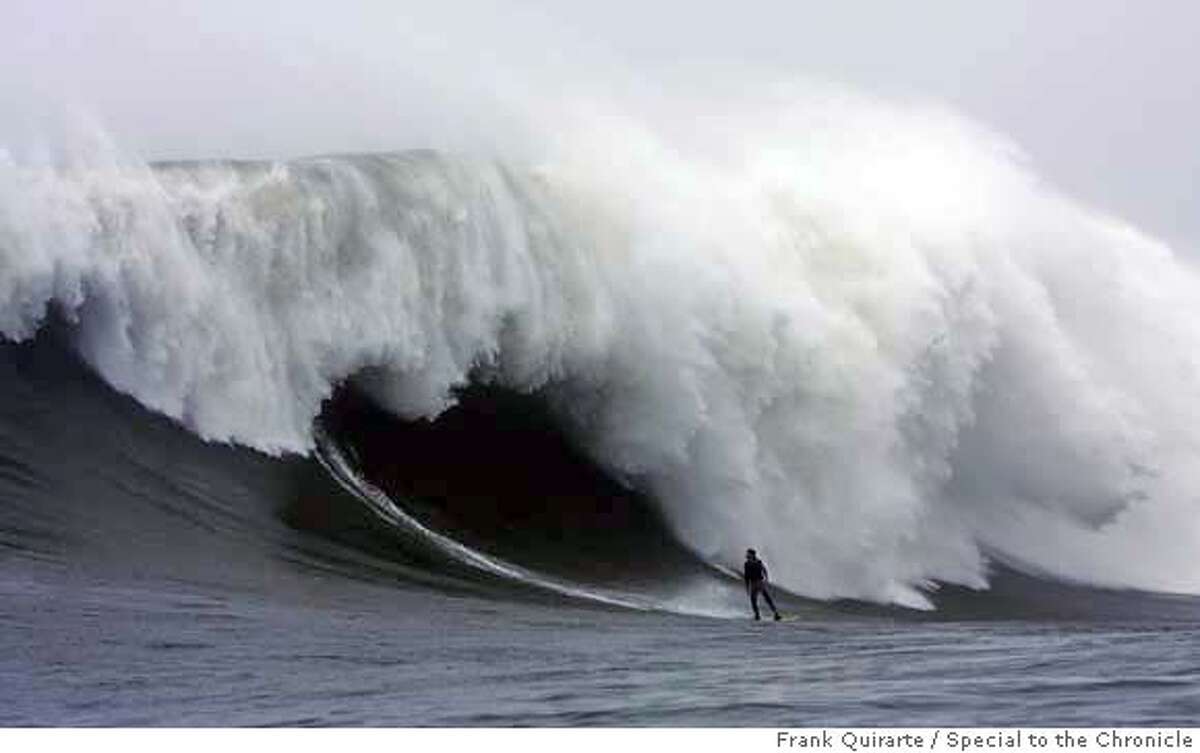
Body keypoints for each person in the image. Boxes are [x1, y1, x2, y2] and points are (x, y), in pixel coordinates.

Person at [743, 549, 781, 621]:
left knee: (767, 598)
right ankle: (757, 615)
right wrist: (747, 587)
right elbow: (746, 577)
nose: (747, 555)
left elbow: (764, 569)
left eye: (748, 554)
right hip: (753, 583)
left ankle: (776, 614)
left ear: (752, 554)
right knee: (754, 600)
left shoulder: (757, 562)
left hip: (759, 582)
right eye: (747, 553)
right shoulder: (747, 563)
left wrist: (766, 578)